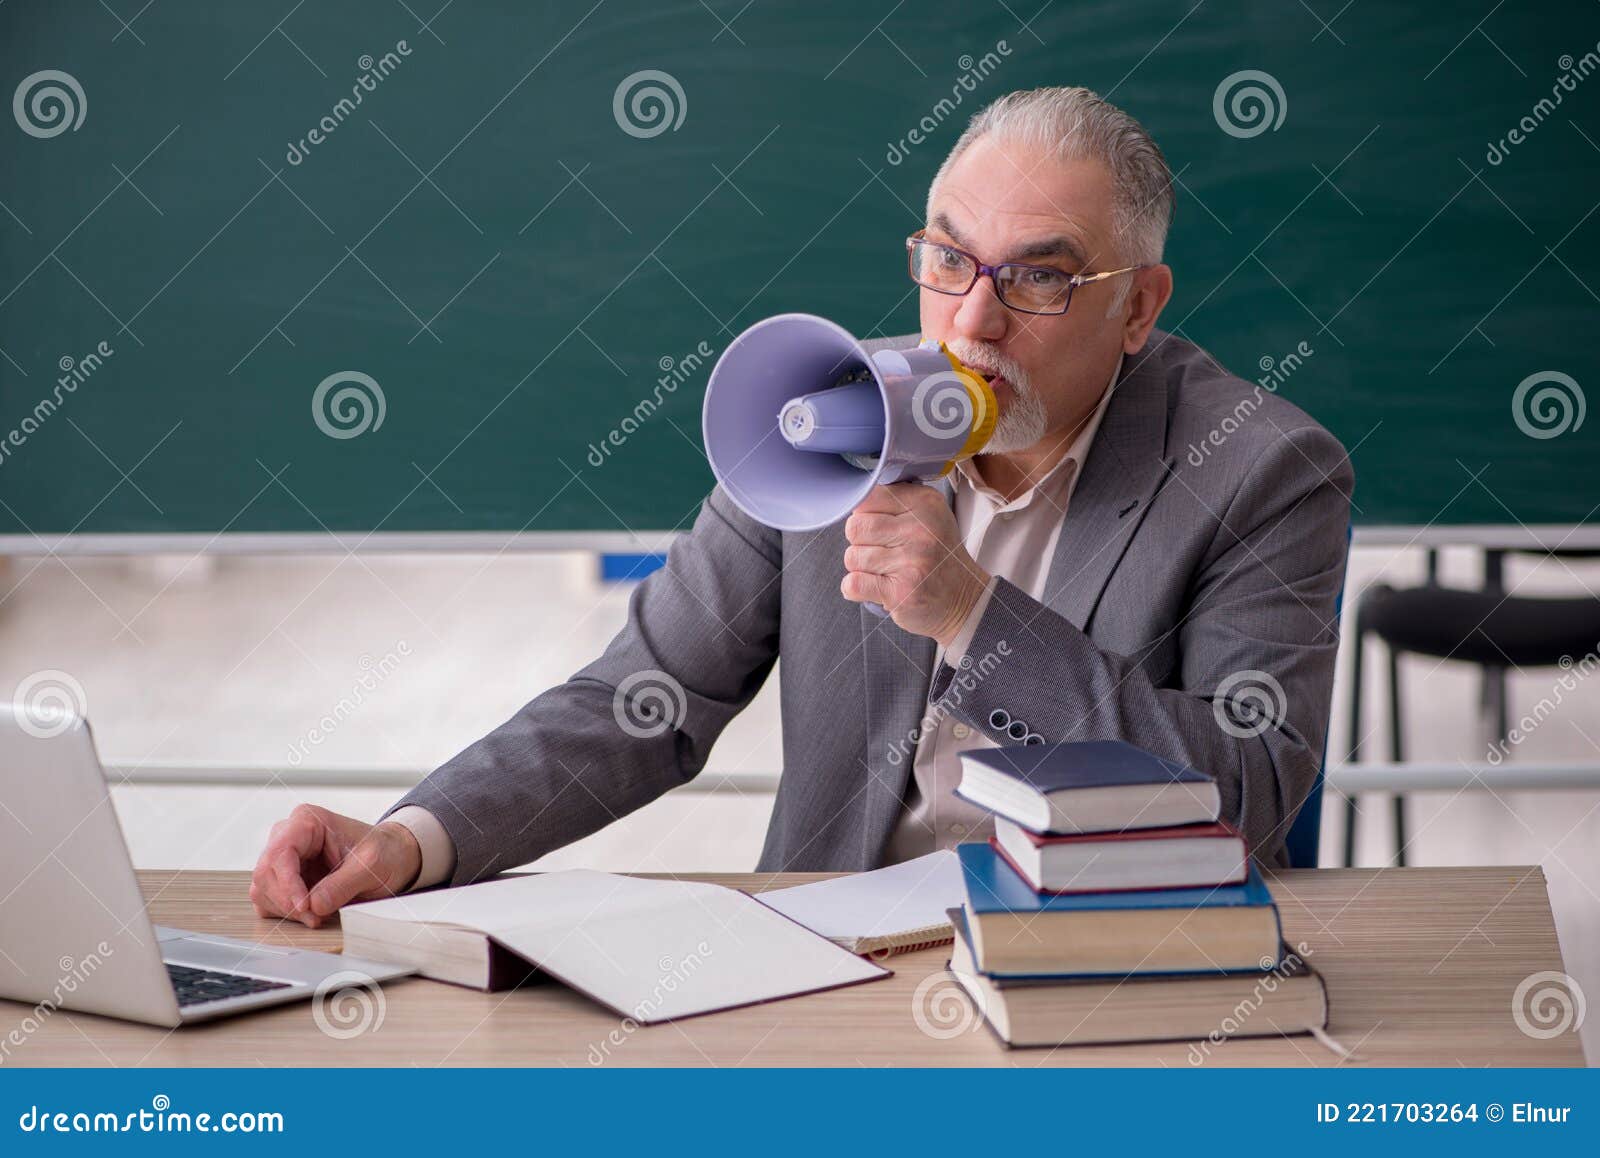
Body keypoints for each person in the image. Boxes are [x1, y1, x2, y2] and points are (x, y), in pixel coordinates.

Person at [252, 85, 1352, 928]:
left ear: (1136, 309)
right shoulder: (828, 416)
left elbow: (1243, 796)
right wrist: (410, 842)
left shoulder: (1260, 470)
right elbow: (648, 695)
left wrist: (974, 614)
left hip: (1099, 960)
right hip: (838, 953)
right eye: (949, 260)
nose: (972, 323)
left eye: (1038, 278)